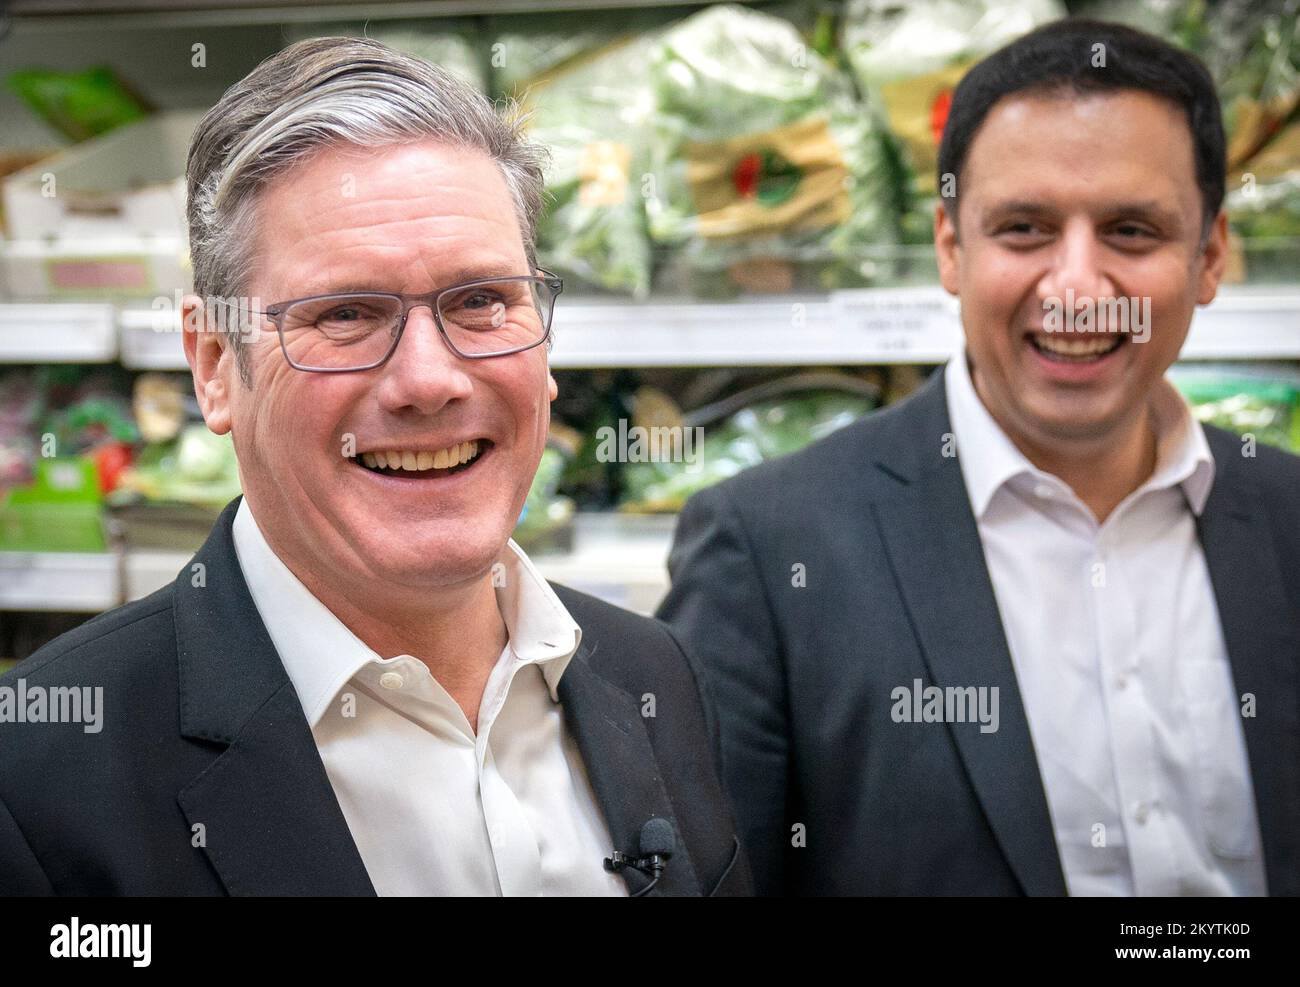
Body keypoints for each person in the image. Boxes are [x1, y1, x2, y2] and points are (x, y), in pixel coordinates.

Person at [0, 37, 748, 897]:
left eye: (480, 301)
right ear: (214, 365)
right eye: (346, 313)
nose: (428, 380)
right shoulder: (37, 781)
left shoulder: (654, 674)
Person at [659, 19, 1300, 896]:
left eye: (1132, 231)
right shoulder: (770, 552)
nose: (1076, 287)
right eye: (1026, 228)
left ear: (1211, 255)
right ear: (952, 247)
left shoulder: (1289, 510)